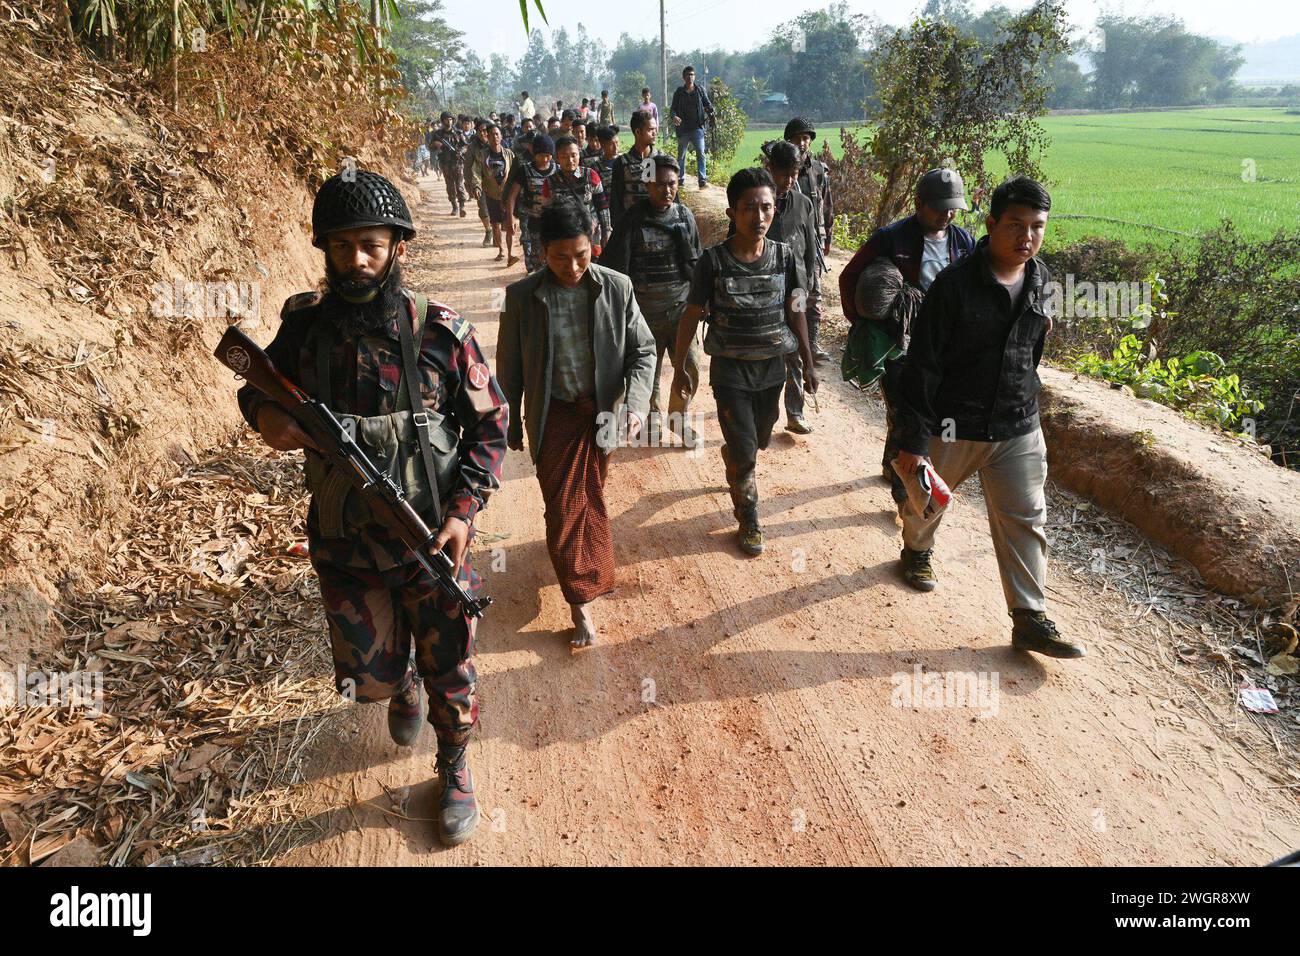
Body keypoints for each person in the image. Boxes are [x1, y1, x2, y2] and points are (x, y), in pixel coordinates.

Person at [236, 170, 508, 846]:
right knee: (370, 683)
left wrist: (463, 512)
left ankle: (453, 766)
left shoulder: (439, 333)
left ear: (398, 250)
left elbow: (491, 424)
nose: (357, 261)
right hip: (346, 546)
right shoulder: (303, 329)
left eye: (371, 246)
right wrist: (267, 417)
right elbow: (254, 385)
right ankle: (401, 679)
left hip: (431, 542)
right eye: (342, 246)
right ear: (324, 249)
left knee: (453, 668)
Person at [892, 176, 1083, 659]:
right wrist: (913, 442)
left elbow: (1033, 349)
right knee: (924, 507)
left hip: (1017, 424)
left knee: (1025, 517)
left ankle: (1029, 617)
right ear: (991, 223)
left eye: (1037, 227)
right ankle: (915, 550)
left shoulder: (1041, 281)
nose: (1027, 237)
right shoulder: (952, 288)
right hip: (953, 426)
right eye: (1015, 225)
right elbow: (923, 367)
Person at [496, 204, 656, 648]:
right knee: (566, 505)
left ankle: (575, 566)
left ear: (593, 245)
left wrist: (637, 406)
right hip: (554, 418)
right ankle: (579, 600)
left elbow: (643, 352)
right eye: (560, 257)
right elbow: (508, 367)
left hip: (601, 413)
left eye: (582, 255)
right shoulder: (522, 297)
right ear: (542, 251)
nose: (572, 266)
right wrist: (508, 423)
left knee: (590, 496)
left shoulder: (617, 288)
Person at [671, 167, 817, 556]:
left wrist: (807, 357)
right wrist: (679, 367)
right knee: (747, 450)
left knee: (762, 436)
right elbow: (691, 313)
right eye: (749, 208)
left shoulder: (785, 257)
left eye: (766, 207)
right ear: (731, 213)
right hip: (731, 370)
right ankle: (749, 517)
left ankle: (736, 456)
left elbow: (796, 305)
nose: (760, 217)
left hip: (773, 367)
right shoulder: (712, 261)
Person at [839, 167, 976, 502]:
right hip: (899, 344)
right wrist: (864, 325)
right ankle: (907, 496)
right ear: (918, 203)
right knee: (908, 410)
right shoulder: (891, 238)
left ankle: (892, 463)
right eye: (939, 207)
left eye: (952, 208)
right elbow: (849, 277)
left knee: (909, 413)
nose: (947, 215)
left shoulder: (963, 242)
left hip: (943, 345)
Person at [601, 155, 703, 447]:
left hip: (682, 312)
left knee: (690, 367)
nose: (666, 190)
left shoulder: (686, 217)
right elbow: (614, 270)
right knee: (650, 373)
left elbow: (698, 264)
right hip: (644, 316)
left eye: (671, 184)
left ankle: (679, 418)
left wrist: (702, 301)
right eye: (659, 185)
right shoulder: (632, 221)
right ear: (647, 185)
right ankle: (653, 421)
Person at [755, 141, 820, 437]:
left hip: (795, 293)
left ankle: (795, 411)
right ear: (771, 169)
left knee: (795, 350)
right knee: (765, 354)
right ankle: (760, 411)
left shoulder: (804, 204)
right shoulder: (757, 202)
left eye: (794, 174)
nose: (789, 180)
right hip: (762, 292)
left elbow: (809, 250)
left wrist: (809, 287)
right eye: (784, 174)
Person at [782, 117, 834, 364]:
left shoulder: (818, 170)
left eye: (806, 138)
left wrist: (828, 235)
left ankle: (811, 344)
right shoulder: (779, 168)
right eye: (798, 138)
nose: (803, 143)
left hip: (813, 239)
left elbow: (826, 204)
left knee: (813, 293)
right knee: (793, 291)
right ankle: (793, 339)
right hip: (789, 241)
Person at [541, 135, 611, 256]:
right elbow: (545, 215)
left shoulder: (591, 176)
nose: (570, 160)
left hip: (591, 237)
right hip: (562, 238)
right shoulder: (550, 183)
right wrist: (544, 243)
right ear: (557, 158)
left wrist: (607, 232)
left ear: (579, 154)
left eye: (574, 155)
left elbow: (603, 207)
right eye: (564, 156)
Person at [503, 133, 557, 273]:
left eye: (548, 155)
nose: (544, 159)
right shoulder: (525, 170)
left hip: (554, 221)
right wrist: (510, 218)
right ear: (534, 153)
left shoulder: (557, 170)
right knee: (536, 256)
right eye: (540, 155)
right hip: (532, 221)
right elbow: (512, 196)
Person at [467, 123, 517, 266]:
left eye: (497, 134)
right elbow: (476, 172)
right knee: (495, 224)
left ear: (501, 136)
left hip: (507, 196)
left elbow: (515, 172)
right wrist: (476, 186)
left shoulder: (509, 154)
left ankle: (510, 253)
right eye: (492, 135)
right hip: (491, 194)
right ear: (487, 137)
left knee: (509, 225)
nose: (495, 137)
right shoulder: (482, 156)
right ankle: (501, 250)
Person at [608, 108, 660, 233]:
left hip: (658, 226)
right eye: (650, 130)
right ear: (638, 132)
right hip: (631, 228)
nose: (655, 133)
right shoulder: (622, 163)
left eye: (655, 129)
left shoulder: (661, 160)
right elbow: (616, 200)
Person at [670, 66, 714, 189]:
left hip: (697, 128)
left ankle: (702, 180)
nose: (690, 77)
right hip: (683, 129)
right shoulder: (679, 92)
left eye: (692, 74)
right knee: (681, 155)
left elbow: (707, 104)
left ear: (694, 76)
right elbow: (672, 109)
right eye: (688, 74)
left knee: (701, 153)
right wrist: (674, 117)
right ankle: (680, 179)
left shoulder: (700, 90)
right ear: (683, 77)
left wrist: (711, 112)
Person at [430, 111, 469, 217]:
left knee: (460, 185)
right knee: (450, 186)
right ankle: (454, 206)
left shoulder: (459, 133)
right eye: (447, 119)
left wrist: (460, 152)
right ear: (443, 121)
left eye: (451, 119)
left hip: (457, 163)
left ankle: (462, 206)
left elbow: (466, 146)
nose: (449, 121)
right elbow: (431, 147)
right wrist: (436, 144)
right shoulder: (437, 134)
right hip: (445, 163)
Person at [464, 119, 494, 247]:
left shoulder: (496, 143)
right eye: (481, 131)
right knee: (483, 209)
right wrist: (469, 183)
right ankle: (488, 231)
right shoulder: (472, 147)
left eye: (486, 131)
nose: (484, 133)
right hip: (479, 182)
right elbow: (468, 166)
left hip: (496, 182)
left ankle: (496, 232)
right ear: (476, 132)